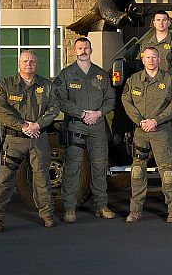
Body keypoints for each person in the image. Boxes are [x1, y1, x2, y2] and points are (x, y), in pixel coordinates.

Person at [0, 50, 60, 232]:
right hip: (15, 139)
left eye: (32, 61)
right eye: (25, 61)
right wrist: (22, 125)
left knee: (42, 178)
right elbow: (0, 110)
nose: (29, 64)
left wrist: (37, 124)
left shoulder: (46, 85)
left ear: (37, 64)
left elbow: (54, 107)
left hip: (38, 139)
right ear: (18, 64)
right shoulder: (5, 85)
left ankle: (47, 215)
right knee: (4, 178)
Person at [54, 37, 116, 222]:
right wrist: (81, 114)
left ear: (91, 50)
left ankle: (101, 206)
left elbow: (111, 100)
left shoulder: (101, 75)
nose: (83, 51)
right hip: (75, 124)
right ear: (74, 51)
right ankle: (69, 209)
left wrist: (98, 113)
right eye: (80, 48)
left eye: (86, 48)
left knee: (99, 166)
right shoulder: (65, 75)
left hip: (97, 126)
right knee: (73, 167)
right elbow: (60, 100)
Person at [122, 46, 172, 224]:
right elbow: (126, 101)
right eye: (148, 57)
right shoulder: (134, 80)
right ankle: (135, 211)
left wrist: (156, 121)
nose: (151, 60)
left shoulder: (169, 80)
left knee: (168, 173)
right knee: (138, 172)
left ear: (159, 59)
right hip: (141, 131)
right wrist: (140, 121)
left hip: (161, 131)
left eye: (154, 57)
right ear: (142, 59)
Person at [139, 10, 172, 82]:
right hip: (147, 81)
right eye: (158, 20)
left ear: (169, 23)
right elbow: (139, 63)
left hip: (166, 83)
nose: (161, 23)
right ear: (154, 23)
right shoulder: (146, 43)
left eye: (164, 20)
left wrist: (165, 78)